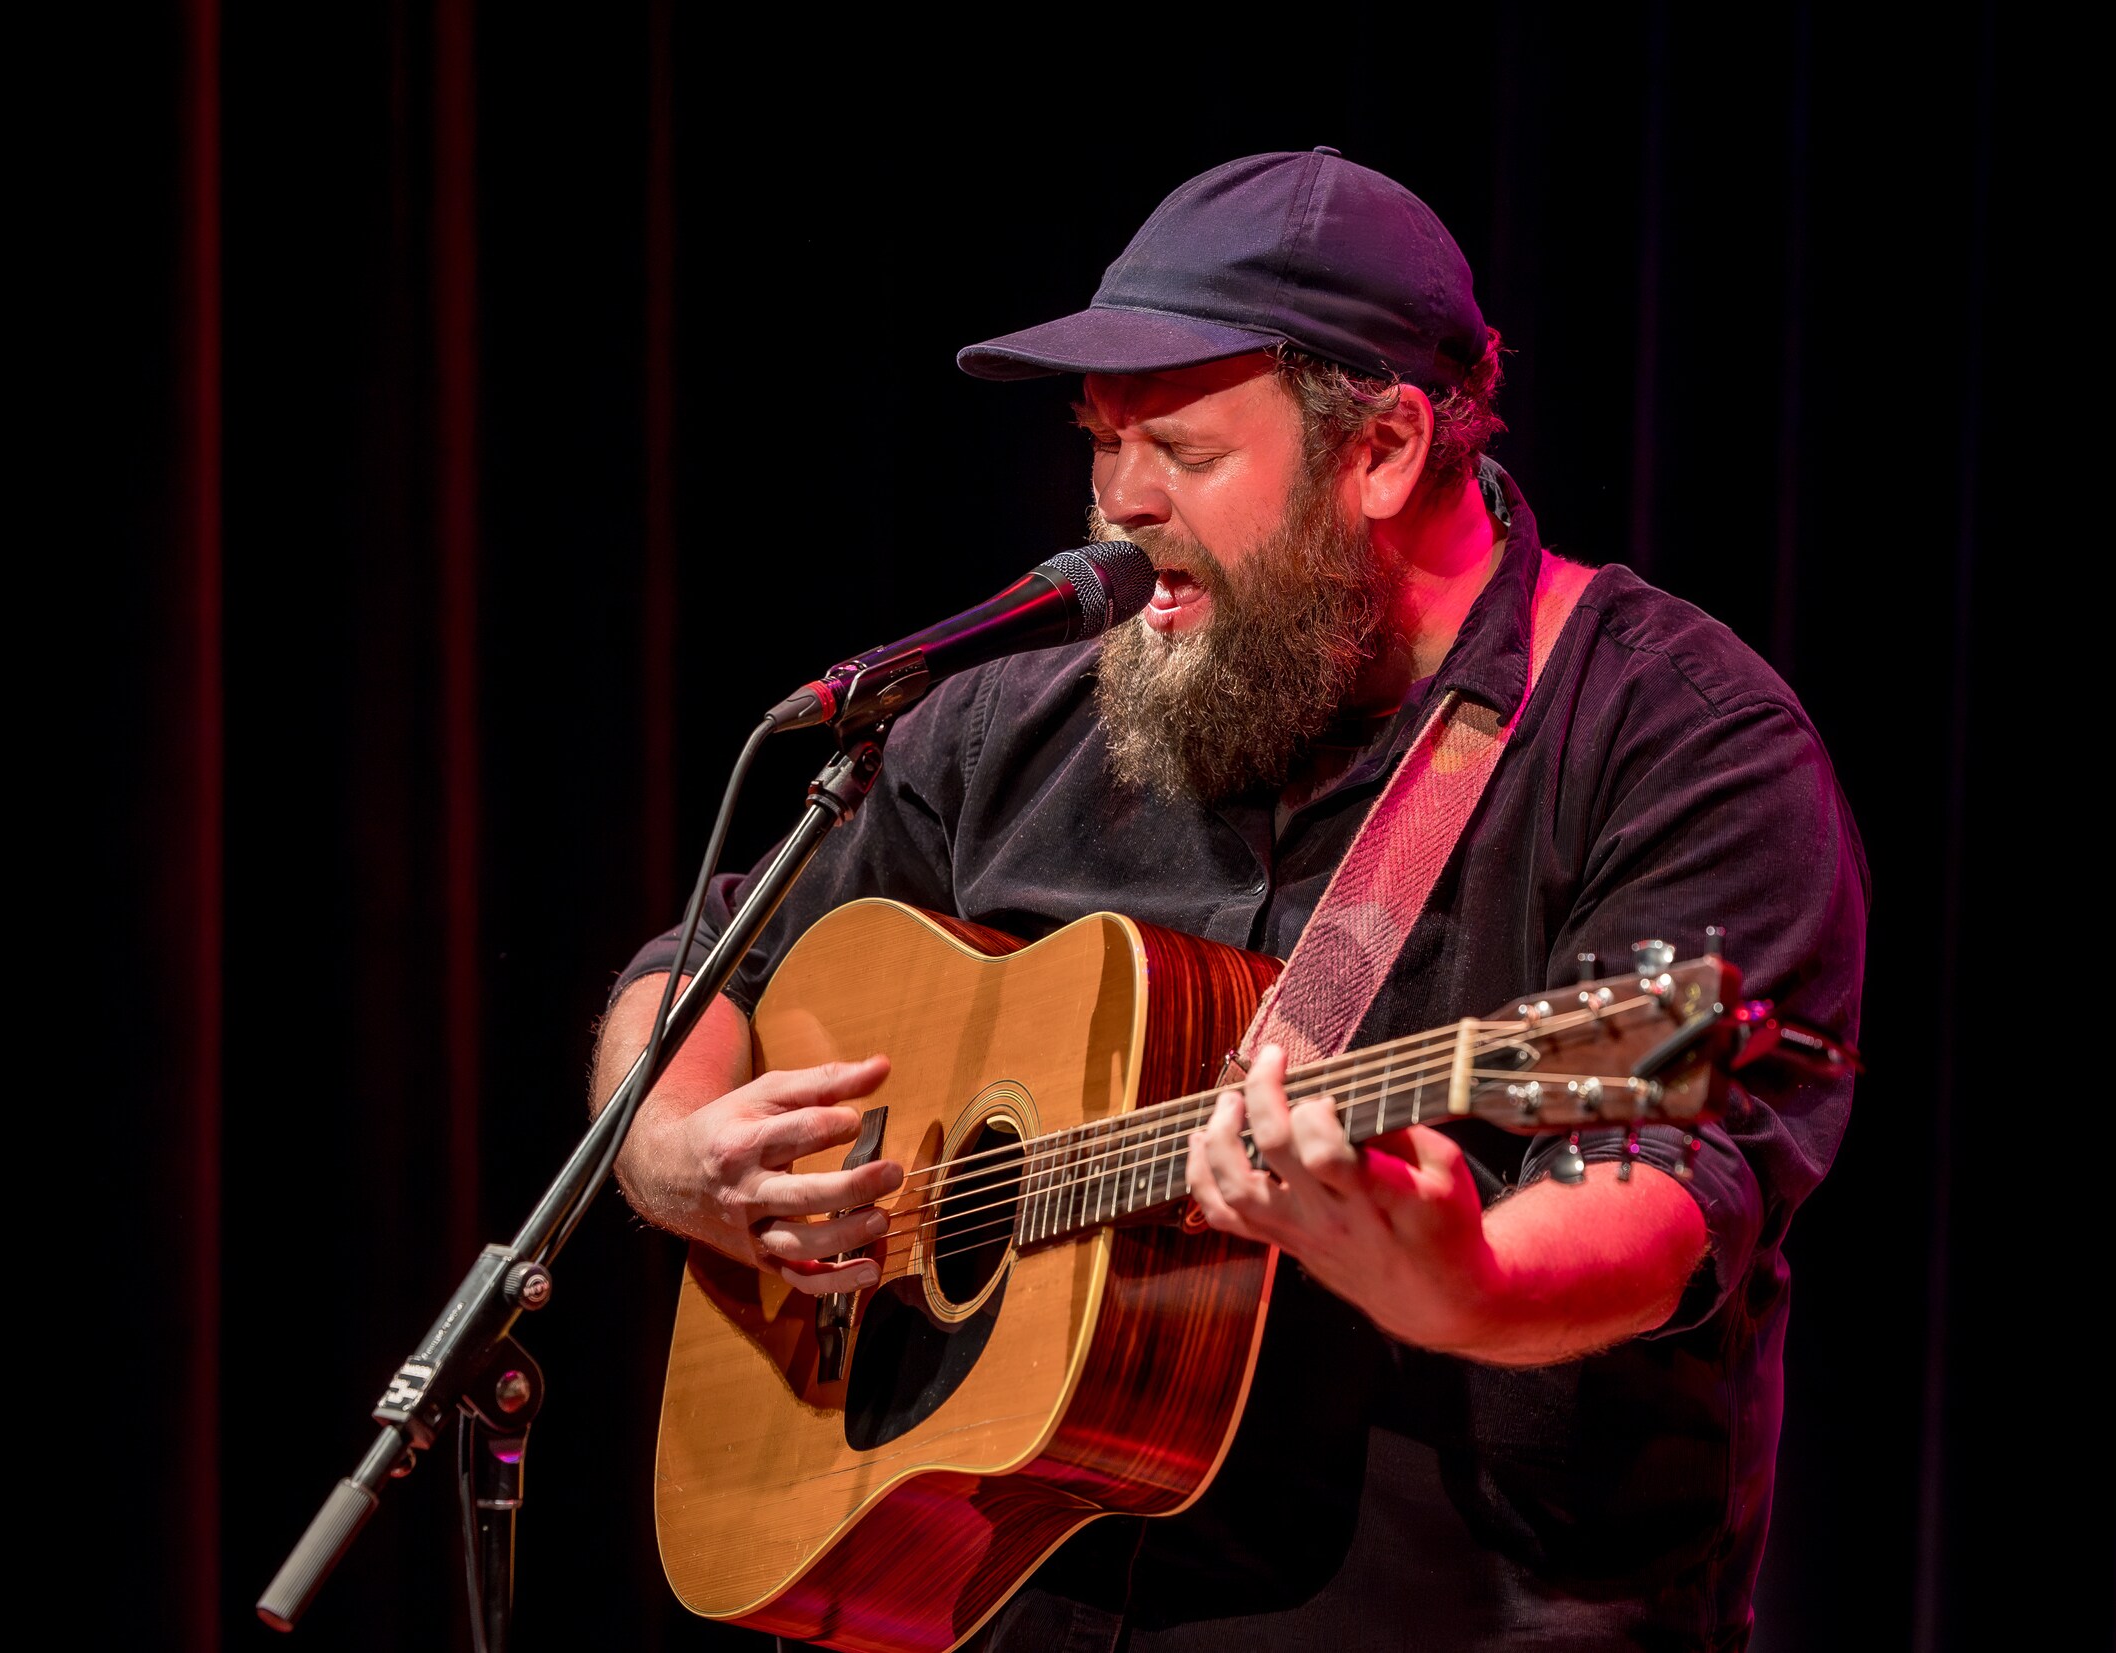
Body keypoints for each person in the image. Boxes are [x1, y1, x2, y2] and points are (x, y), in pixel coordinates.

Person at [593, 149, 1867, 1651]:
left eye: (1180, 450)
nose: (1115, 502)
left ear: (1382, 450)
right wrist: (670, 1150)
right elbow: (703, 974)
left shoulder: (1676, 737)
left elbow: (1673, 1182)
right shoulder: (1014, 718)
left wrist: (1465, 1280)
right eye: (1100, 441)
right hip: (1013, 1597)